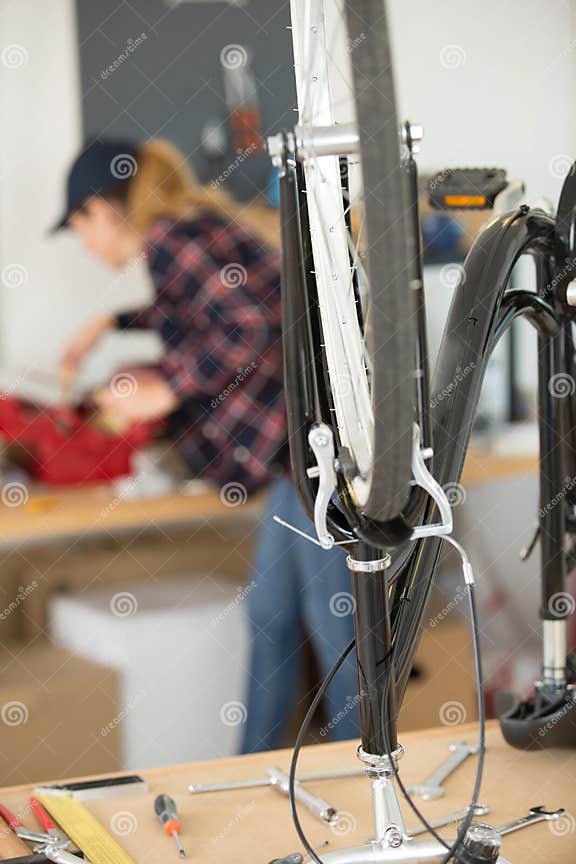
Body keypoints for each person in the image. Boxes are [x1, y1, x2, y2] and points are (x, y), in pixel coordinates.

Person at [54, 137, 359, 751]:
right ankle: (249, 778)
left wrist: (164, 388)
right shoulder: (184, 233)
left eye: (81, 226)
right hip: (293, 458)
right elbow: (193, 315)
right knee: (271, 621)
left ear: (104, 210)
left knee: (337, 637)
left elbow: (250, 324)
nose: (85, 244)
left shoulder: (173, 239)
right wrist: (110, 325)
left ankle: (383, 782)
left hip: (311, 455)